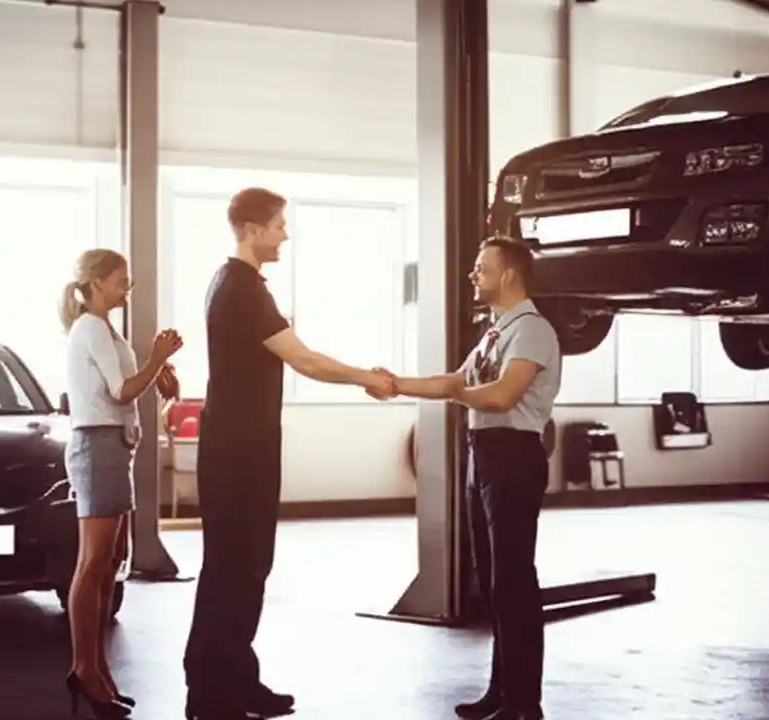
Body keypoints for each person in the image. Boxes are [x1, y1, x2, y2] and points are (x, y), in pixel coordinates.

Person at [182, 187, 397, 720]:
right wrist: (366, 378)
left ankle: (235, 679)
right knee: (236, 567)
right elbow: (304, 360)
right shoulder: (241, 289)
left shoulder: (238, 283)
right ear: (252, 230)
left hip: (240, 444)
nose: (285, 235)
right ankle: (210, 694)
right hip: (239, 451)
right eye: (278, 226)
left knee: (246, 565)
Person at [372, 235, 561, 720]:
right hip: (485, 456)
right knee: (496, 583)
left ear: (510, 274)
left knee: (515, 581)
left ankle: (525, 703)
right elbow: (453, 381)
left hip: (515, 456)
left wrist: (458, 395)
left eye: (482, 267)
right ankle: (502, 693)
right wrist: (397, 385)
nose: (473, 275)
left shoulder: (533, 331)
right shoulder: (496, 332)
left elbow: (501, 396)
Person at [60, 248, 183, 720]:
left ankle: (96, 670)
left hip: (113, 448)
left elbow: (128, 383)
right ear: (95, 283)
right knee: (93, 564)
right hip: (98, 447)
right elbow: (121, 391)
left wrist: (159, 371)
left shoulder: (105, 329)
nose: (126, 288)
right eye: (119, 281)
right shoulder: (90, 327)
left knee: (108, 561)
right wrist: (157, 357)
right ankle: (85, 671)